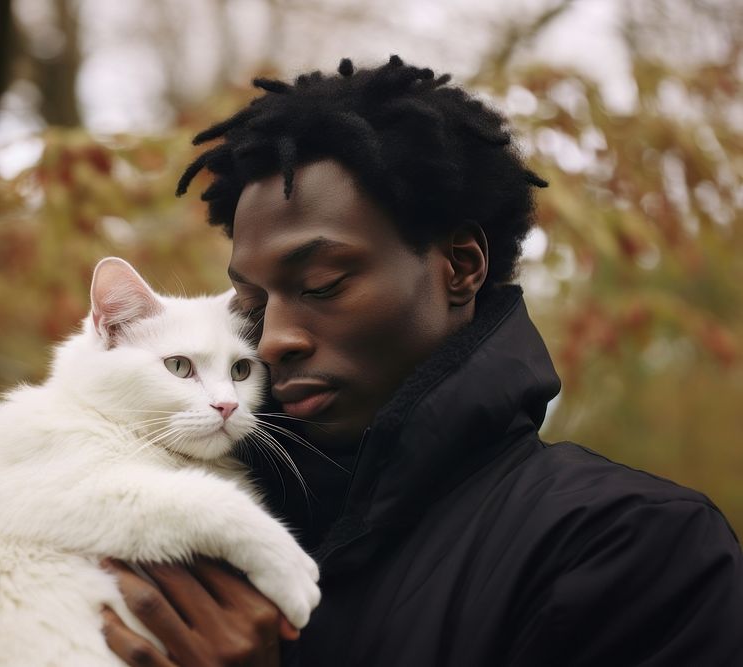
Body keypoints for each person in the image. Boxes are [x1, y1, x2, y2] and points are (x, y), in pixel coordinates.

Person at [101, 56, 743, 666]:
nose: (271, 340)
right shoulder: (177, 527)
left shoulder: (633, 549)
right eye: (251, 302)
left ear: (460, 267)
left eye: (322, 283)